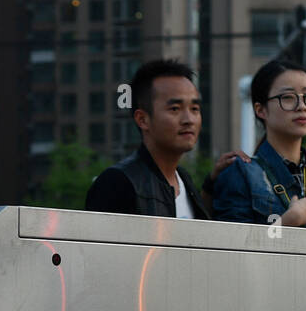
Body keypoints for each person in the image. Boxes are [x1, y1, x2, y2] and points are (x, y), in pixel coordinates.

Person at [84, 58, 247, 219]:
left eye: (194, 108)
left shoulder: (184, 180)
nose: (189, 119)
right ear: (143, 119)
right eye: (175, 109)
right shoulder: (117, 183)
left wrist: (211, 183)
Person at [211, 58, 306, 234]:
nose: (302, 106)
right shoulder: (240, 174)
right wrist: (286, 223)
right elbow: (232, 250)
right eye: (288, 97)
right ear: (261, 110)